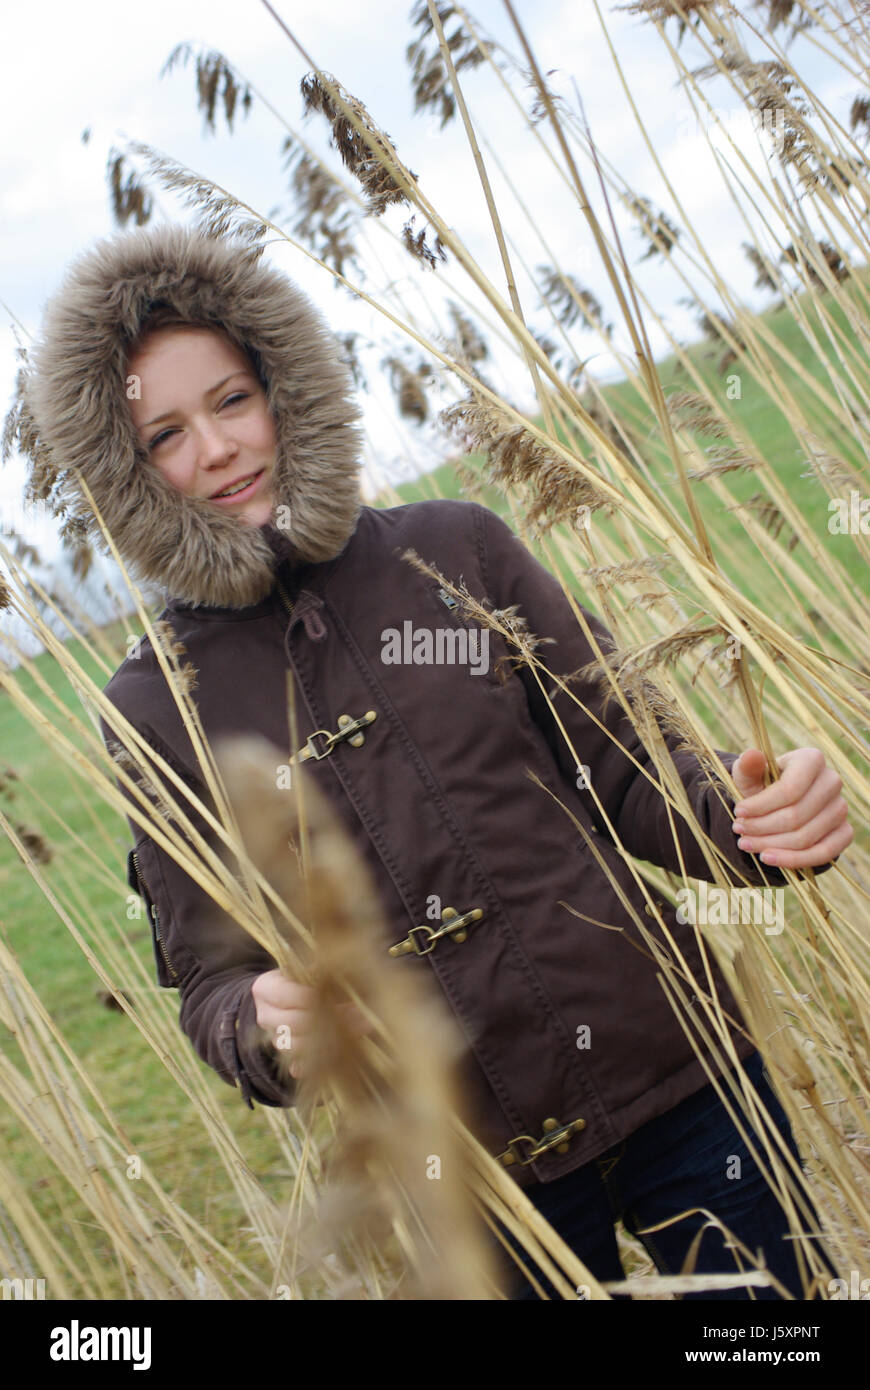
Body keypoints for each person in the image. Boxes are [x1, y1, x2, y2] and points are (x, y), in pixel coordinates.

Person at [17, 222, 852, 1300]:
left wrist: (758, 821)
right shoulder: (154, 704)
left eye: (231, 400)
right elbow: (210, 982)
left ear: (287, 387)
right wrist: (260, 1020)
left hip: (681, 1079)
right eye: (164, 436)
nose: (218, 449)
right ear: (126, 477)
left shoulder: (455, 551)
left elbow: (635, 776)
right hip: (464, 1172)